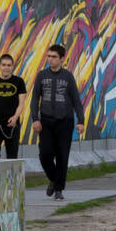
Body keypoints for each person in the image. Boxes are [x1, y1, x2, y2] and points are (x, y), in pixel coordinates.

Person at [31, 43, 85, 202]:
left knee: (62, 156)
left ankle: (59, 190)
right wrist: (35, 119)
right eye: (48, 56)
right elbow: (34, 99)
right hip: (46, 121)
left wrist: (81, 121)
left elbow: (76, 100)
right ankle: (54, 180)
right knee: (45, 155)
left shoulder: (68, 76)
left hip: (65, 122)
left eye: (54, 57)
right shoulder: (41, 75)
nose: (50, 59)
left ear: (62, 58)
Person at [0, 54, 27, 160]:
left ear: (12, 66)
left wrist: (15, 117)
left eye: (9, 65)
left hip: (12, 124)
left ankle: (11, 177)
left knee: (12, 157)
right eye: (4, 65)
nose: (6, 68)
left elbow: (21, 103)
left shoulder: (19, 81)